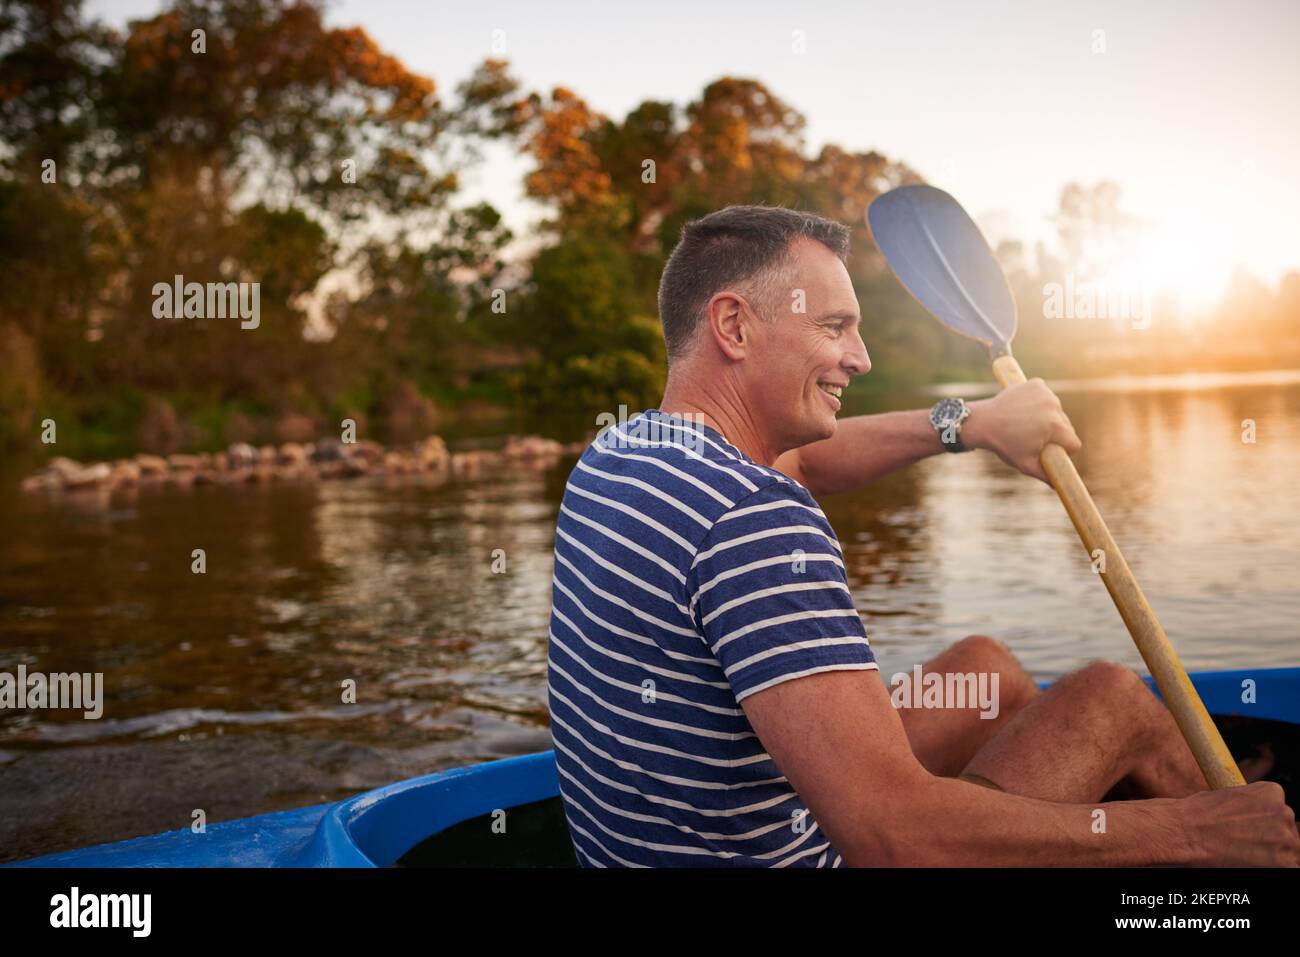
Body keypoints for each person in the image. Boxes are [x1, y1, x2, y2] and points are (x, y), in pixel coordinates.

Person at [544, 204, 1299, 867]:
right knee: (1110, 700)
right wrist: (1197, 831)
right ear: (735, 325)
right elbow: (893, 841)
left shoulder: (623, 453)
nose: (861, 358)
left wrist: (972, 422)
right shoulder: (753, 518)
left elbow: (806, 456)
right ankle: (1238, 835)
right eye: (834, 327)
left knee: (988, 671)